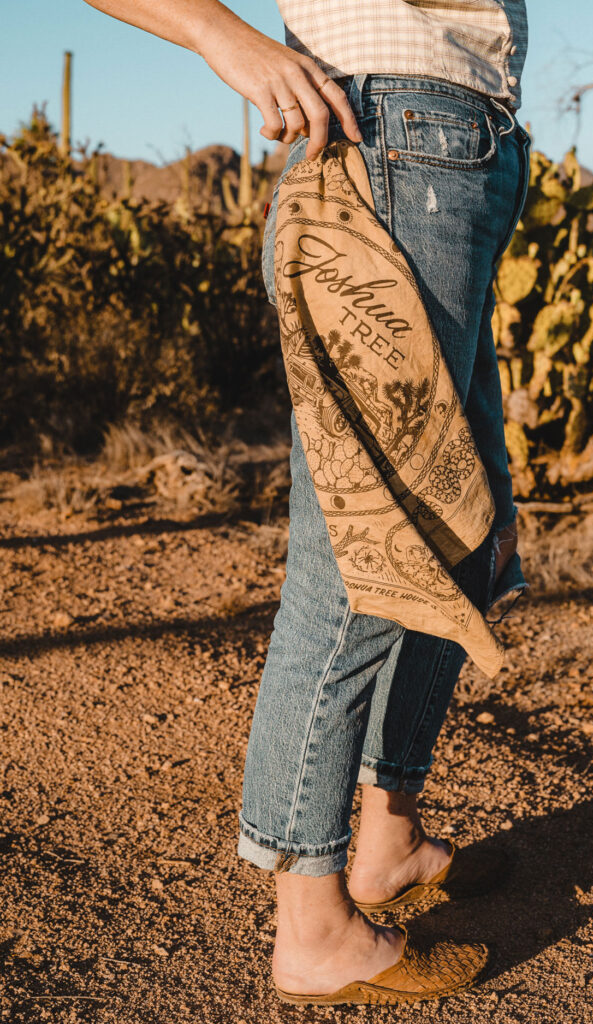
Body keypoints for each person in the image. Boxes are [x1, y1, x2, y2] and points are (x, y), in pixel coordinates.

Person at [82, 0, 530, 1005]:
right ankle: (316, 928)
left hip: (462, 155)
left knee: (464, 537)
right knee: (352, 565)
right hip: (394, 148)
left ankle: (387, 838)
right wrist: (217, 32)